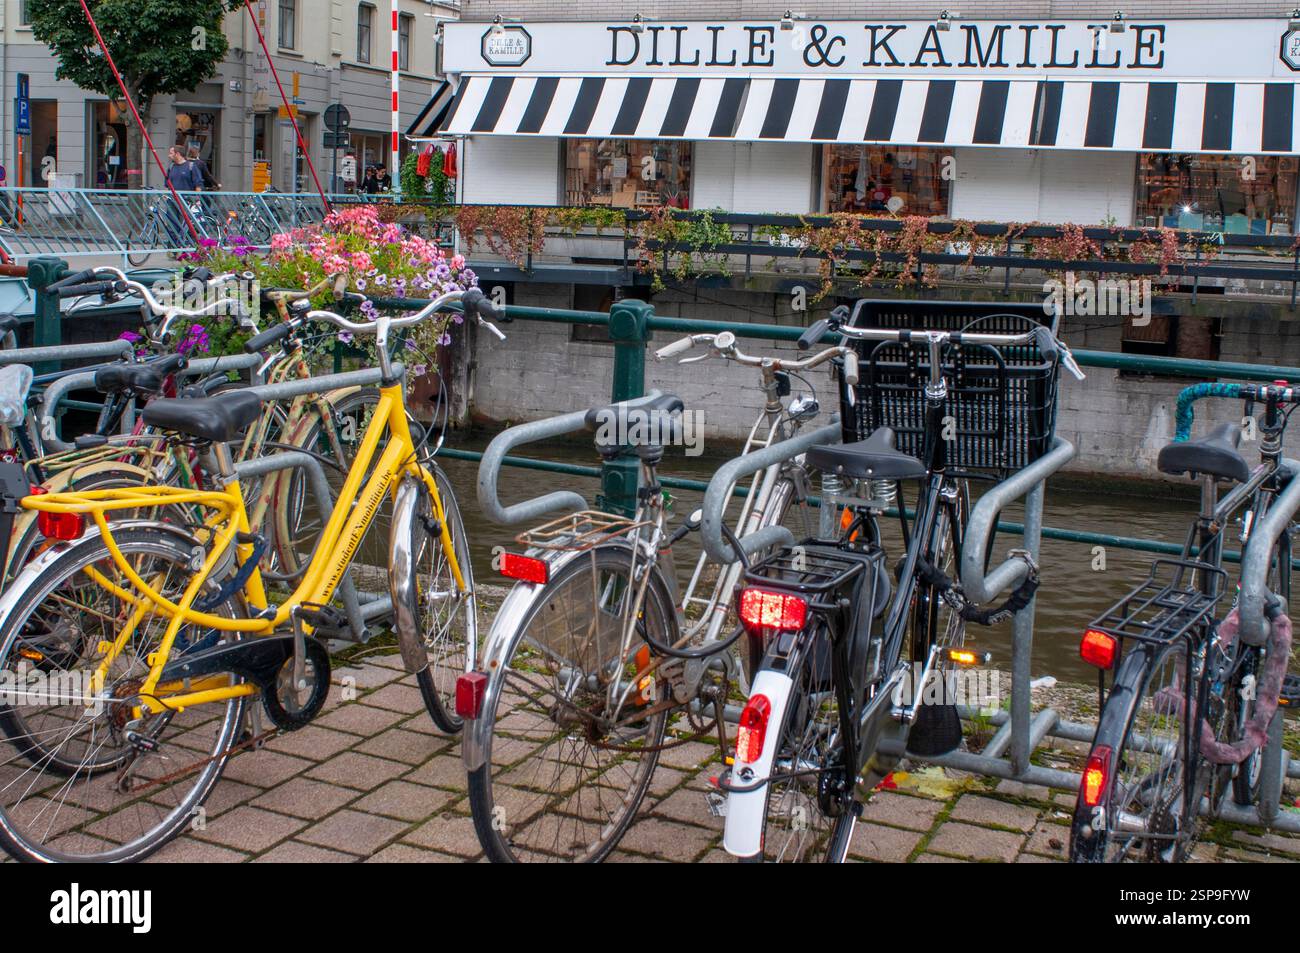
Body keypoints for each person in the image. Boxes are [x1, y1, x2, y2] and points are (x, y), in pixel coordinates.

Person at [164, 145, 202, 244]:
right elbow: (167, 183)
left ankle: (192, 246)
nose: (169, 155)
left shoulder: (191, 166)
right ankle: (174, 248)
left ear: (178, 154)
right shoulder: (171, 167)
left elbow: (198, 185)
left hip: (187, 201)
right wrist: (166, 194)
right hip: (172, 200)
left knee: (189, 225)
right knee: (172, 224)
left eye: (171, 153)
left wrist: (197, 200)